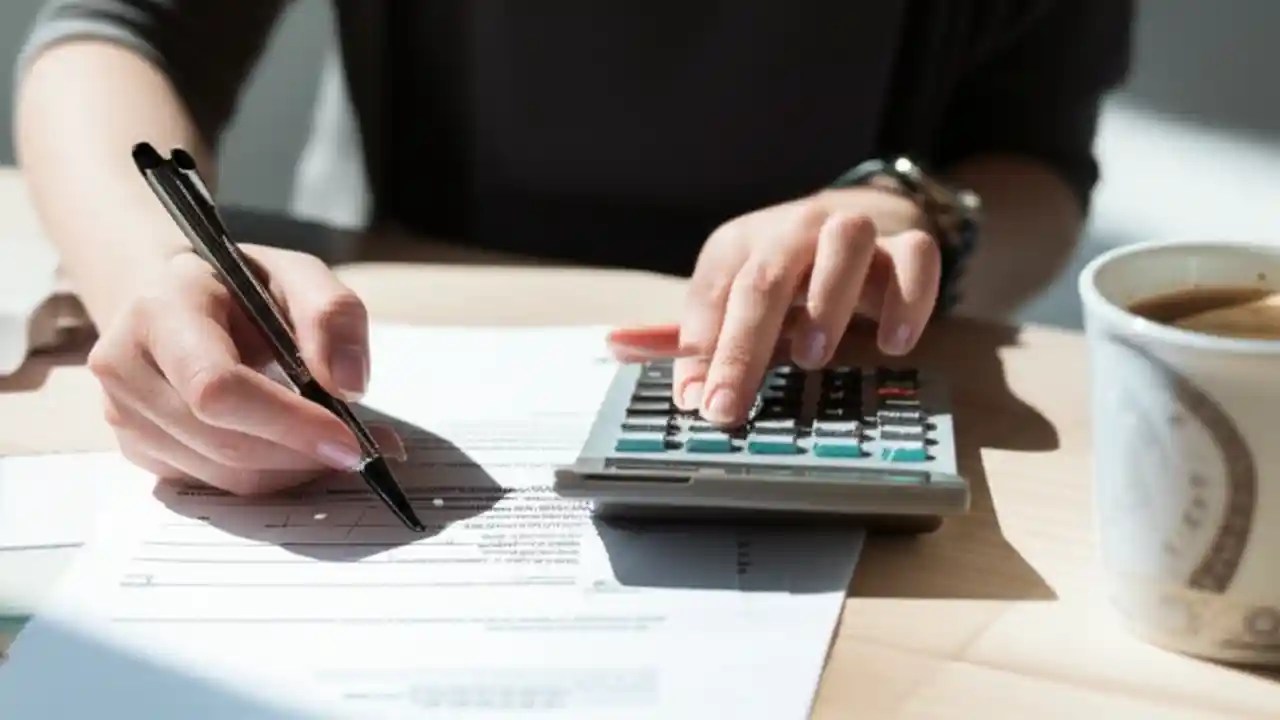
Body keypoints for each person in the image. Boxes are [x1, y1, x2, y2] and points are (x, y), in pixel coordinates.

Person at [12, 1, 1132, 496]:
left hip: (828, 371)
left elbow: (1035, 166)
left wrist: (914, 216)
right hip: (408, 295)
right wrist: (155, 277)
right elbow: (113, 33)